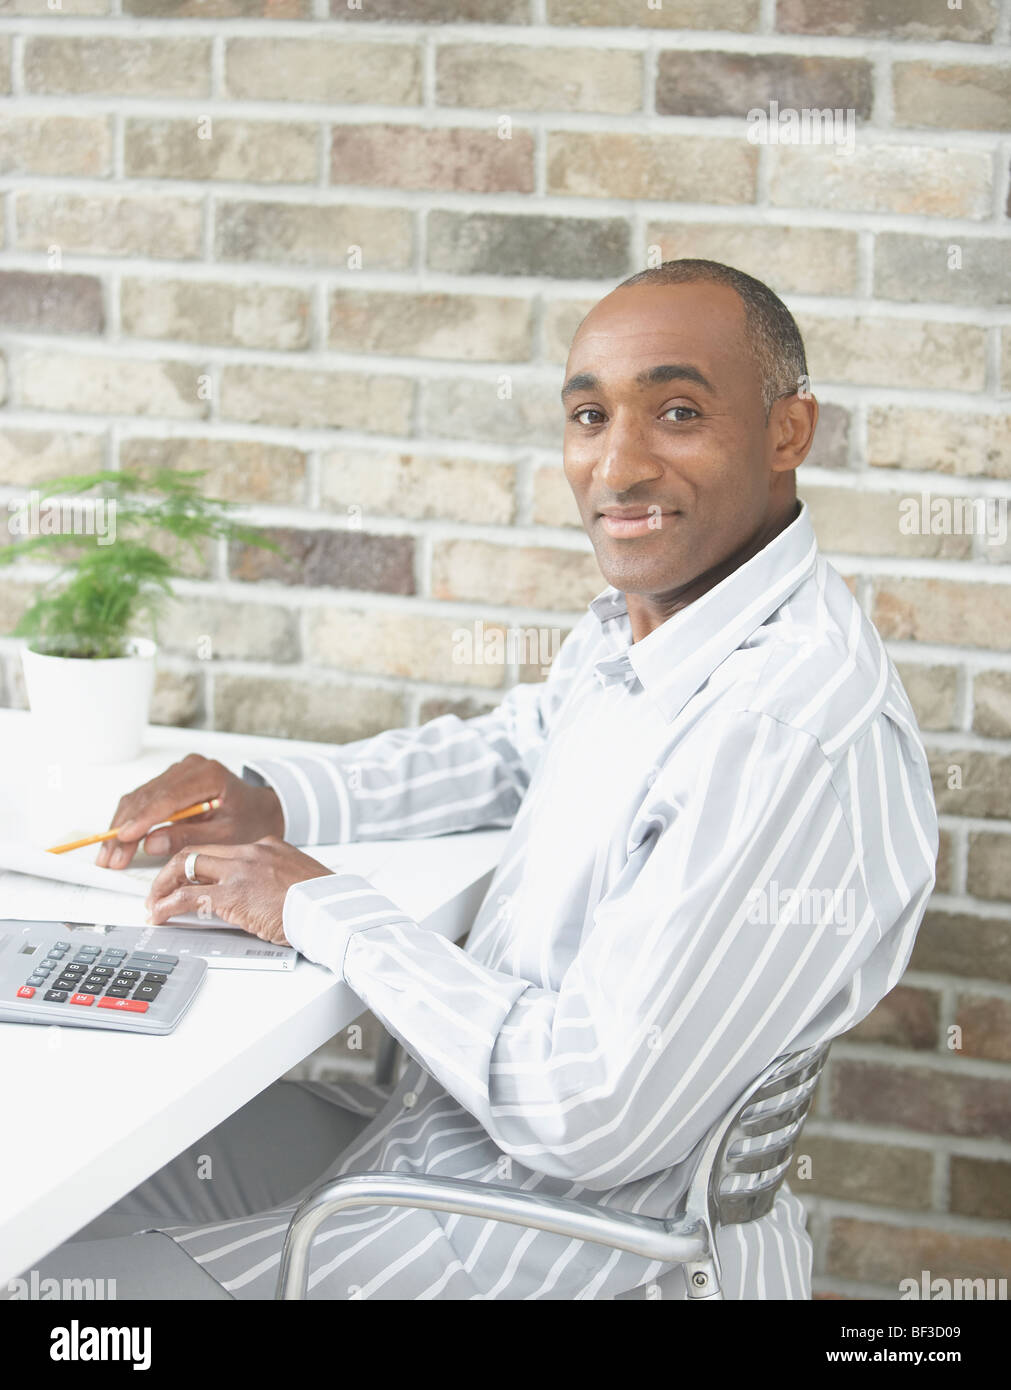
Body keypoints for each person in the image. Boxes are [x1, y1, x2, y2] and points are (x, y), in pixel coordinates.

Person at [10, 260, 938, 1301]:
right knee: (64, 1177)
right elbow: (512, 749)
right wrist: (273, 801)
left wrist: (315, 901)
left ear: (788, 432)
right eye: (590, 417)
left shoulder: (781, 731)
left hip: (530, 1252)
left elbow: (590, 1106)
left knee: (51, 1298)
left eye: (677, 412)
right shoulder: (681, 624)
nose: (619, 465)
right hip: (433, 1156)